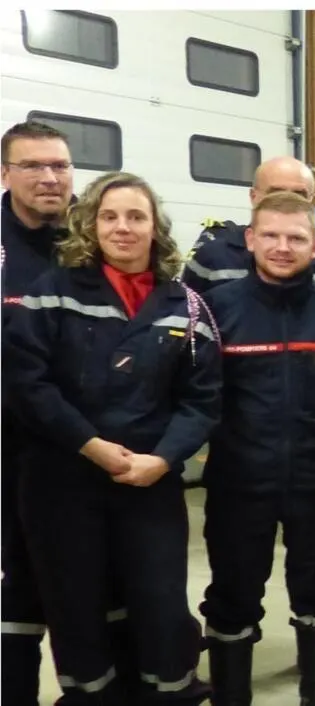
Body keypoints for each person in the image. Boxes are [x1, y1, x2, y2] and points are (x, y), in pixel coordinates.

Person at [2, 171, 222, 704]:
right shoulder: (49, 292)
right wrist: (90, 444)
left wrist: (165, 459)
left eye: (136, 217)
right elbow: (25, 383)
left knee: (160, 600)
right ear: (91, 224)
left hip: (148, 485)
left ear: (156, 228)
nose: (122, 228)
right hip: (62, 481)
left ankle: (169, 691)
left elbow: (203, 399)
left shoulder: (186, 305)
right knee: (75, 604)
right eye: (109, 216)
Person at [197, 192, 315, 706]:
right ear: (250, 239)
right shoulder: (217, 310)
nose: (282, 246)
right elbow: (199, 393)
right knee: (233, 590)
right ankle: (232, 695)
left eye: (296, 237)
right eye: (270, 235)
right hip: (238, 479)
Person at [0, 120, 132, 705]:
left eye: (60, 165)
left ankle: (97, 691)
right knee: (18, 582)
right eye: (33, 166)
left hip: (89, 445)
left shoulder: (100, 234)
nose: (50, 178)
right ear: (6, 174)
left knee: (99, 581)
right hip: (9, 445)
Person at [181, 155, 315, 301]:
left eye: (299, 195)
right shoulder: (212, 258)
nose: (287, 201)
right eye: (275, 193)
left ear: (312, 199)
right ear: (253, 196)